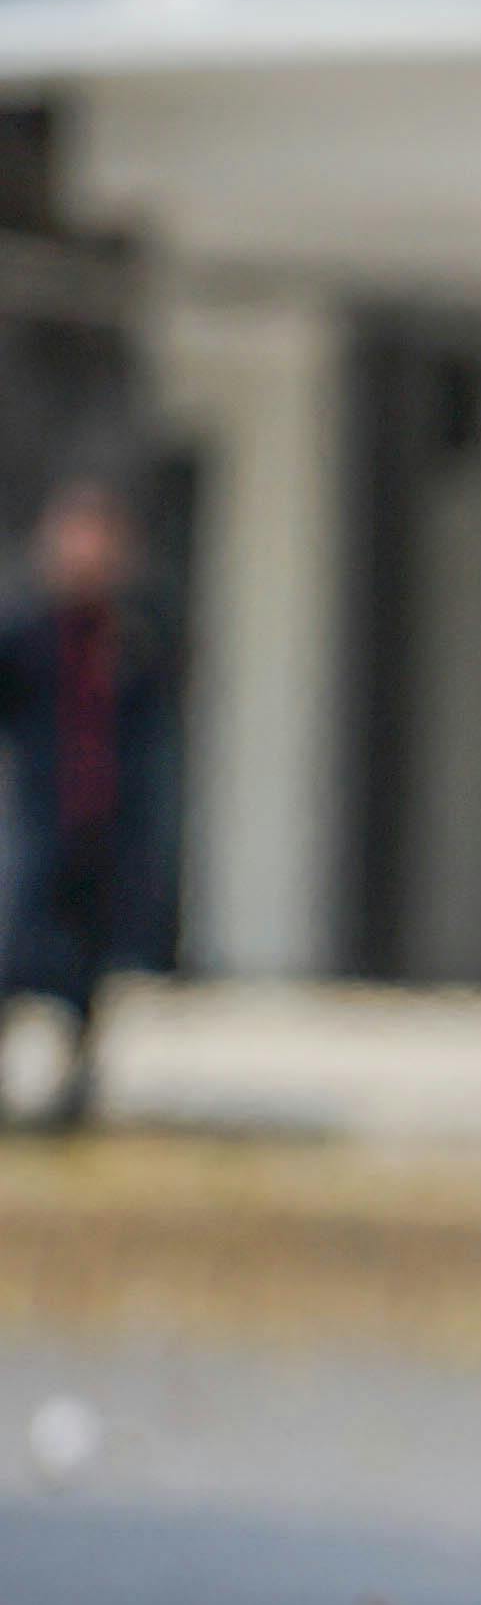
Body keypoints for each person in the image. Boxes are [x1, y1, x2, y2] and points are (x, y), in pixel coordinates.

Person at [0, 477, 179, 1132]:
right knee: (16, 957)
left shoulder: (132, 635)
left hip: (105, 825)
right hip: (40, 820)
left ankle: (73, 1093)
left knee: (88, 972)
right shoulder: (27, 632)